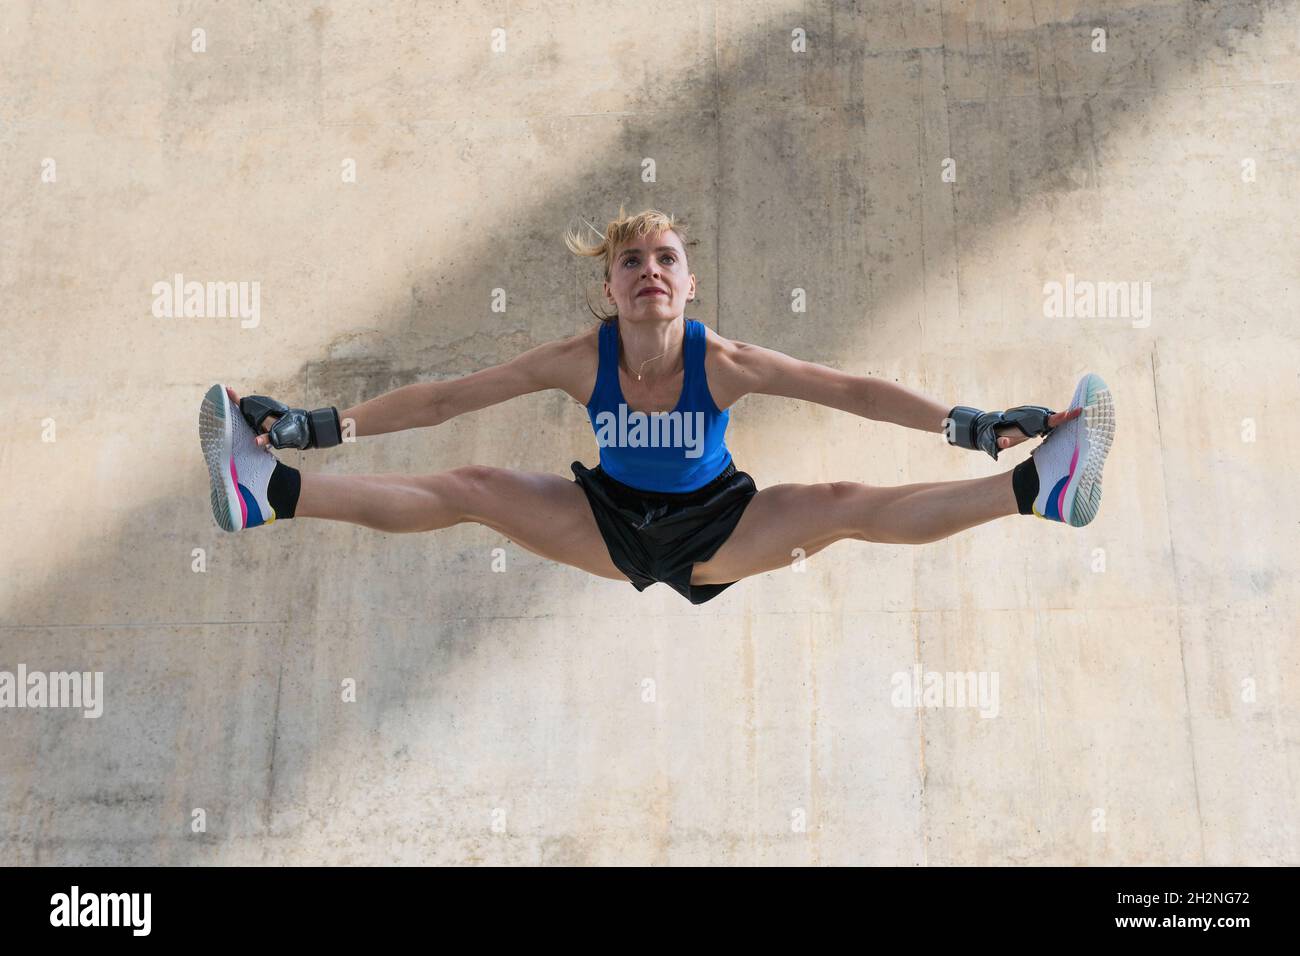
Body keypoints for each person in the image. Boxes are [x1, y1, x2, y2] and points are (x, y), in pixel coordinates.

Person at [199, 207, 1115, 605]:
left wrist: (968, 424)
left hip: (717, 526)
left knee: (844, 507)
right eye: (631, 262)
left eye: (666, 259)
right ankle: (267, 493)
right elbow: (445, 398)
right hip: (608, 522)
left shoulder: (728, 361)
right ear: (609, 287)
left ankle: (1041, 486)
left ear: (689, 282)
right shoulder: (575, 359)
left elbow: (853, 390)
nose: (649, 273)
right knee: (473, 482)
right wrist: (321, 427)